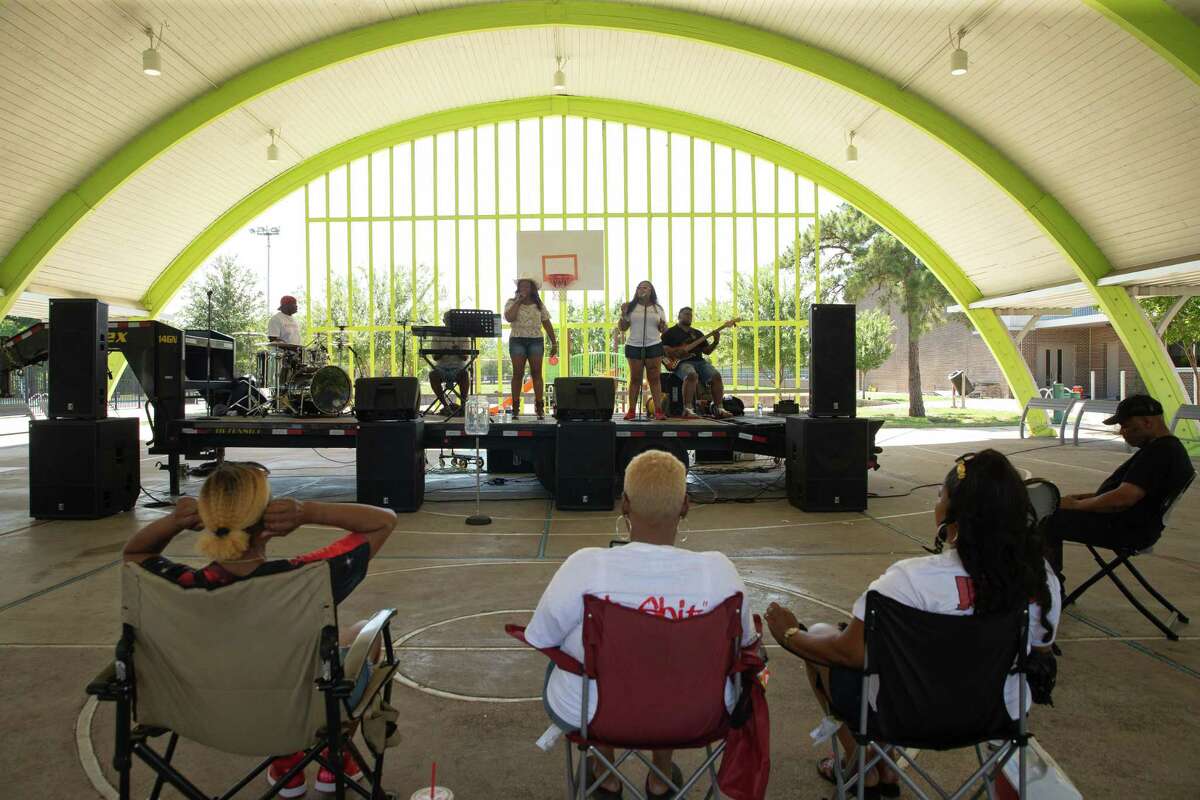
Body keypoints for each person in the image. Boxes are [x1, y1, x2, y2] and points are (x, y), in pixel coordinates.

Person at [763, 449, 1060, 797]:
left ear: (952, 514)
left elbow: (847, 654)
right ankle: (877, 767)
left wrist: (790, 635)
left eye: (940, 495)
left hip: (902, 715)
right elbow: (1039, 652)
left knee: (823, 639)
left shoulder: (908, 581)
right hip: (996, 716)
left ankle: (865, 765)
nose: (937, 502)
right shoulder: (1039, 580)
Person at [121, 462, 398, 798]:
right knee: (363, 632)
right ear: (267, 523)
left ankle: (285, 763)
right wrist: (308, 512)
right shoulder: (308, 578)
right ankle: (332, 757)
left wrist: (174, 521)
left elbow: (135, 551)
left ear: (206, 520)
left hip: (201, 714)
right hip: (304, 715)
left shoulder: (178, 585)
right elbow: (383, 521)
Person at [524, 450, 756, 799]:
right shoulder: (720, 571)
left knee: (577, 654)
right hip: (699, 713)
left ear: (625, 505)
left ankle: (605, 774)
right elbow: (747, 644)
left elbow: (542, 636)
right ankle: (661, 776)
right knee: (670, 660)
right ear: (685, 506)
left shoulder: (584, 565)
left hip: (599, 716)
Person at [1043, 394, 1193, 582]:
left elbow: (1123, 499)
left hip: (1126, 528)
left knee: (1041, 521)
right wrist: (1082, 498)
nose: (1122, 432)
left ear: (1147, 422)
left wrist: (1076, 505)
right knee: (1048, 514)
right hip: (1132, 525)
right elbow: (1129, 491)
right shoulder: (1164, 448)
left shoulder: (1161, 452)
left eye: (1126, 426)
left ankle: (1047, 586)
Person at [662, 307, 732, 419]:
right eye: (686, 314)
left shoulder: (697, 333)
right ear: (679, 316)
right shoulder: (670, 333)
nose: (689, 316)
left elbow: (707, 351)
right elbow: (663, 349)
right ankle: (688, 410)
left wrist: (715, 341)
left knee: (716, 376)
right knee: (691, 374)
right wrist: (676, 351)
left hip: (699, 362)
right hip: (681, 363)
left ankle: (719, 408)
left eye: (690, 314)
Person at [504, 278, 558, 418]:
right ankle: (515, 408)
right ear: (518, 289)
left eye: (527, 286)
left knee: (536, 373)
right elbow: (509, 317)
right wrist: (518, 301)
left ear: (532, 289)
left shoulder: (539, 304)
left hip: (536, 341)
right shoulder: (511, 302)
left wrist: (554, 343)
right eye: (521, 286)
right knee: (518, 373)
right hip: (517, 340)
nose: (524, 288)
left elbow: (547, 323)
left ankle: (539, 407)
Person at [617, 280, 668, 421]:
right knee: (635, 378)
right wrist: (623, 314)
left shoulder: (658, 308)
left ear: (651, 291)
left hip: (654, 345)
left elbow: (663, 329)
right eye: (639, 287)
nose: (641, 289)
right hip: (634, 346)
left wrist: (663, 327)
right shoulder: (631, 307)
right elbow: (622, 327)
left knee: (654, 378)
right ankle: (632, 410)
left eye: (645, 287)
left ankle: (658, 410)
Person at [427, 310, 471, 414]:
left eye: (453, 319)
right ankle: (446, 406)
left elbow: (465, 357)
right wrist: (444, 352)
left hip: (459, 367)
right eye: (448, 319)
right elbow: (435, 357)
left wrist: (458, 351)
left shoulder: (463, 335)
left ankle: (463, 406)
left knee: (465, 374)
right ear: (444, 321)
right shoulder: (437, 335)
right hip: (441, 367)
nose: (451, 322)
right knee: (433, 375)